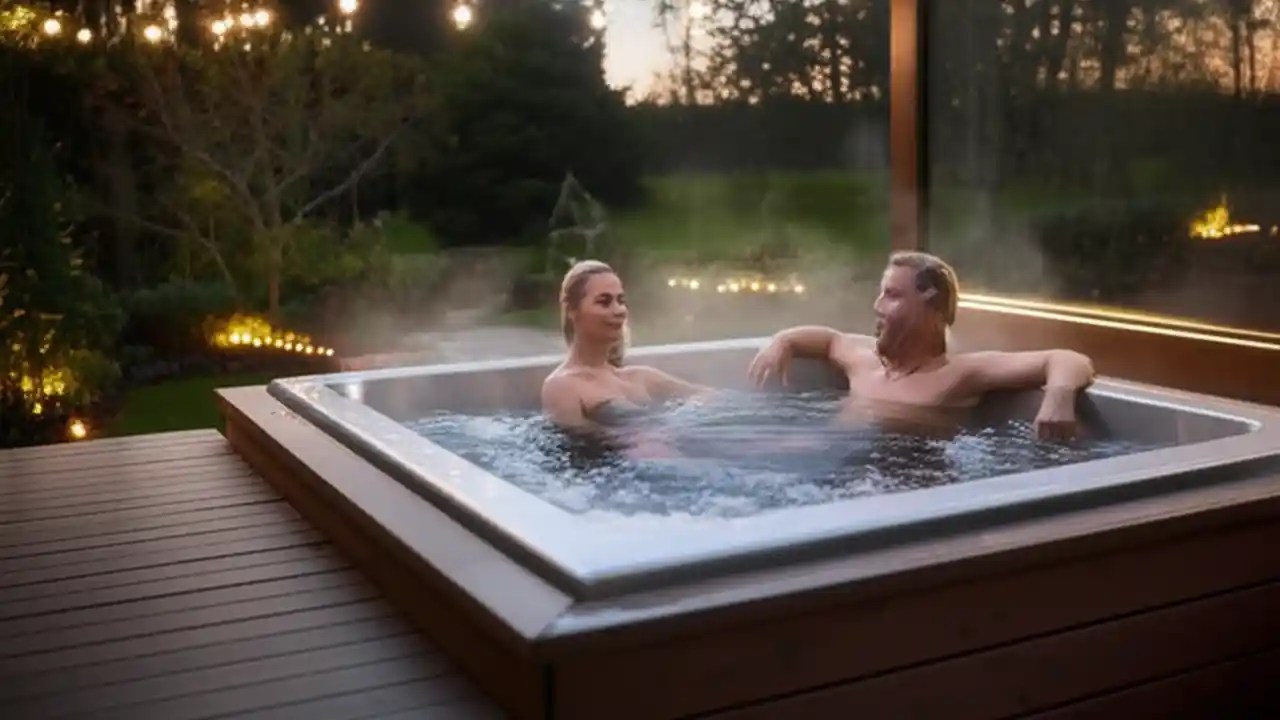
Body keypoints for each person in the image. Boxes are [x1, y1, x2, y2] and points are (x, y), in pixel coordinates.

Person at [747, 251, 1096, 441]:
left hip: (894, 487)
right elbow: (828, 339)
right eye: (881, 293)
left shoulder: (957, 374)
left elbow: (1066, 359)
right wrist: (784, 341)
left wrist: (1059, 399)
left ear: (931, 308)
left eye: (893, 295)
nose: (877, 305)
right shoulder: (864, 359)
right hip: (828, 470)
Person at [541, 260, 707, 432]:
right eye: (604, 302)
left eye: (620, 300)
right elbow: (577, 448)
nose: (619, 310)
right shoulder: (563, 386)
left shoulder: (641, 377)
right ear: (571, 311)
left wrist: (679, 422)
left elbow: (713, 397)